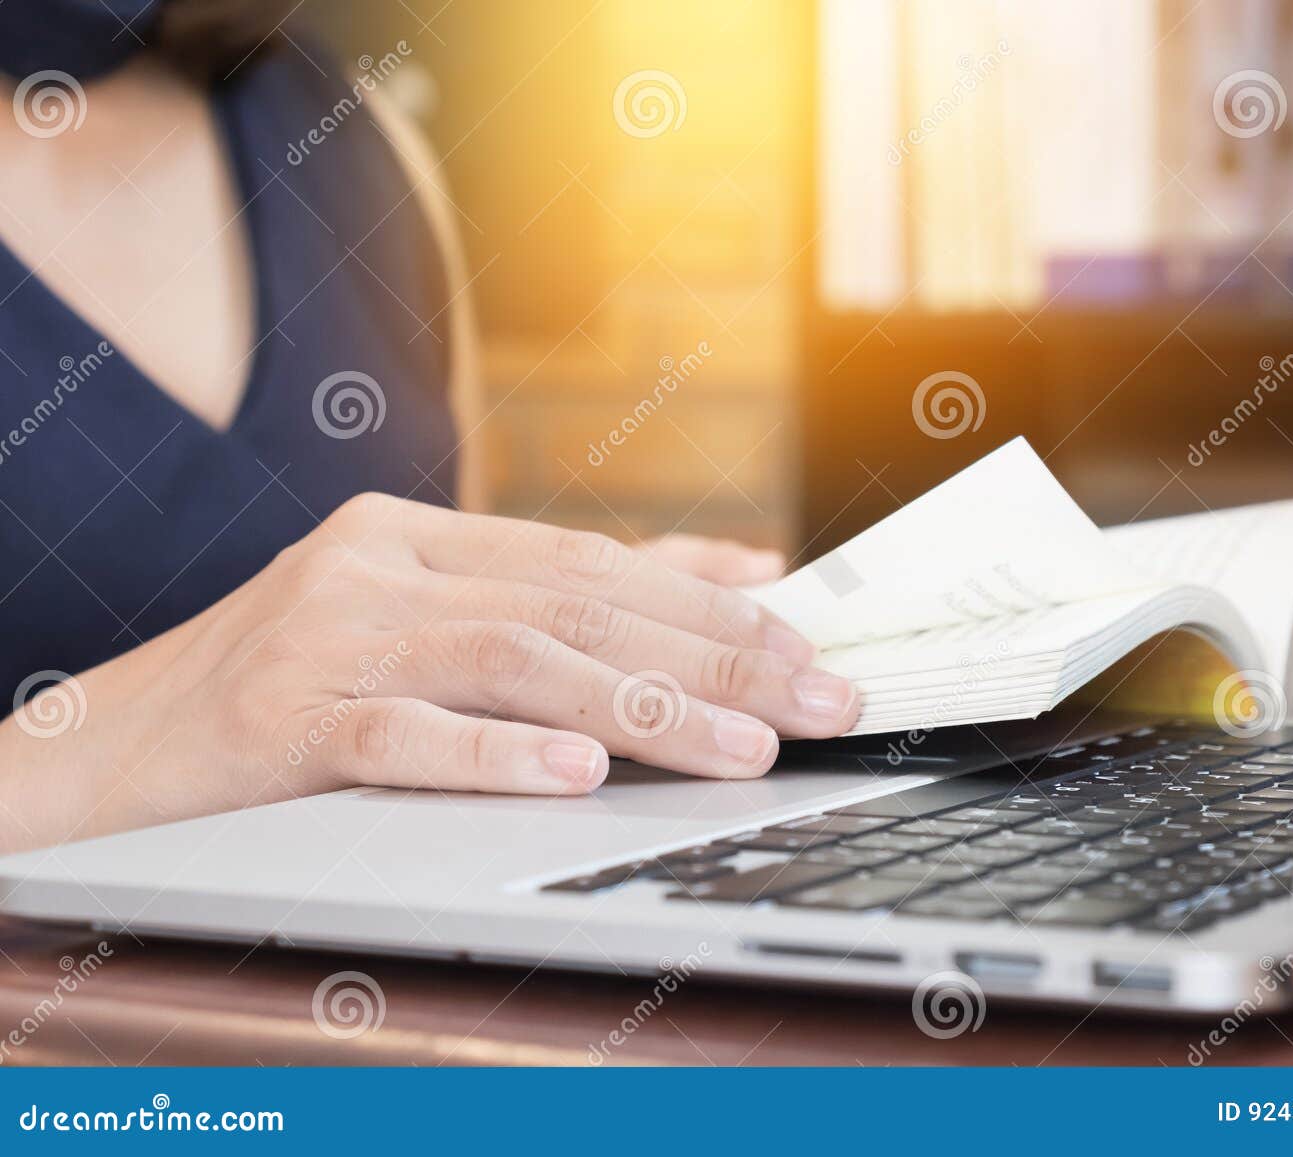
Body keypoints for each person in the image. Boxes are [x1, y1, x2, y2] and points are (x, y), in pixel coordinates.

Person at [0, 0, 859, 852]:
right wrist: (132, 741)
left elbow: (435, 619)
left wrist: (552, 642)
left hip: (389, 924)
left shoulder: (351, 131)